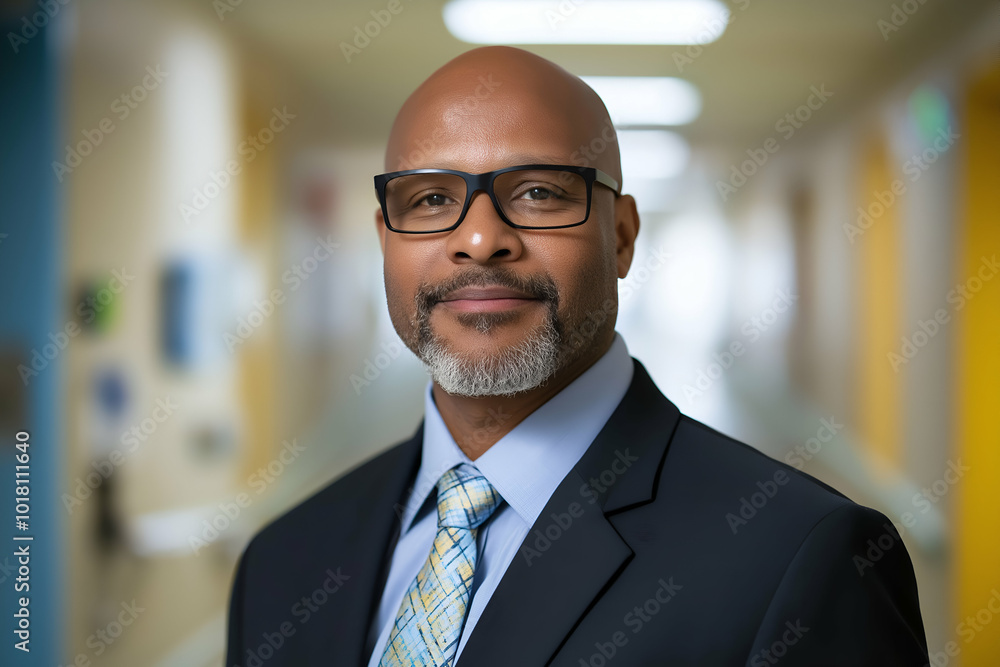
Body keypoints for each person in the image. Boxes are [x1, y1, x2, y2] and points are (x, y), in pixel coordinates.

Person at [225, 46, 928, 666]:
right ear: (386, 240)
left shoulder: (801, 559)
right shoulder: (284, 560)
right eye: (433, 198)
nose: (478, 240)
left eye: (537, 192)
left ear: (620, 236)